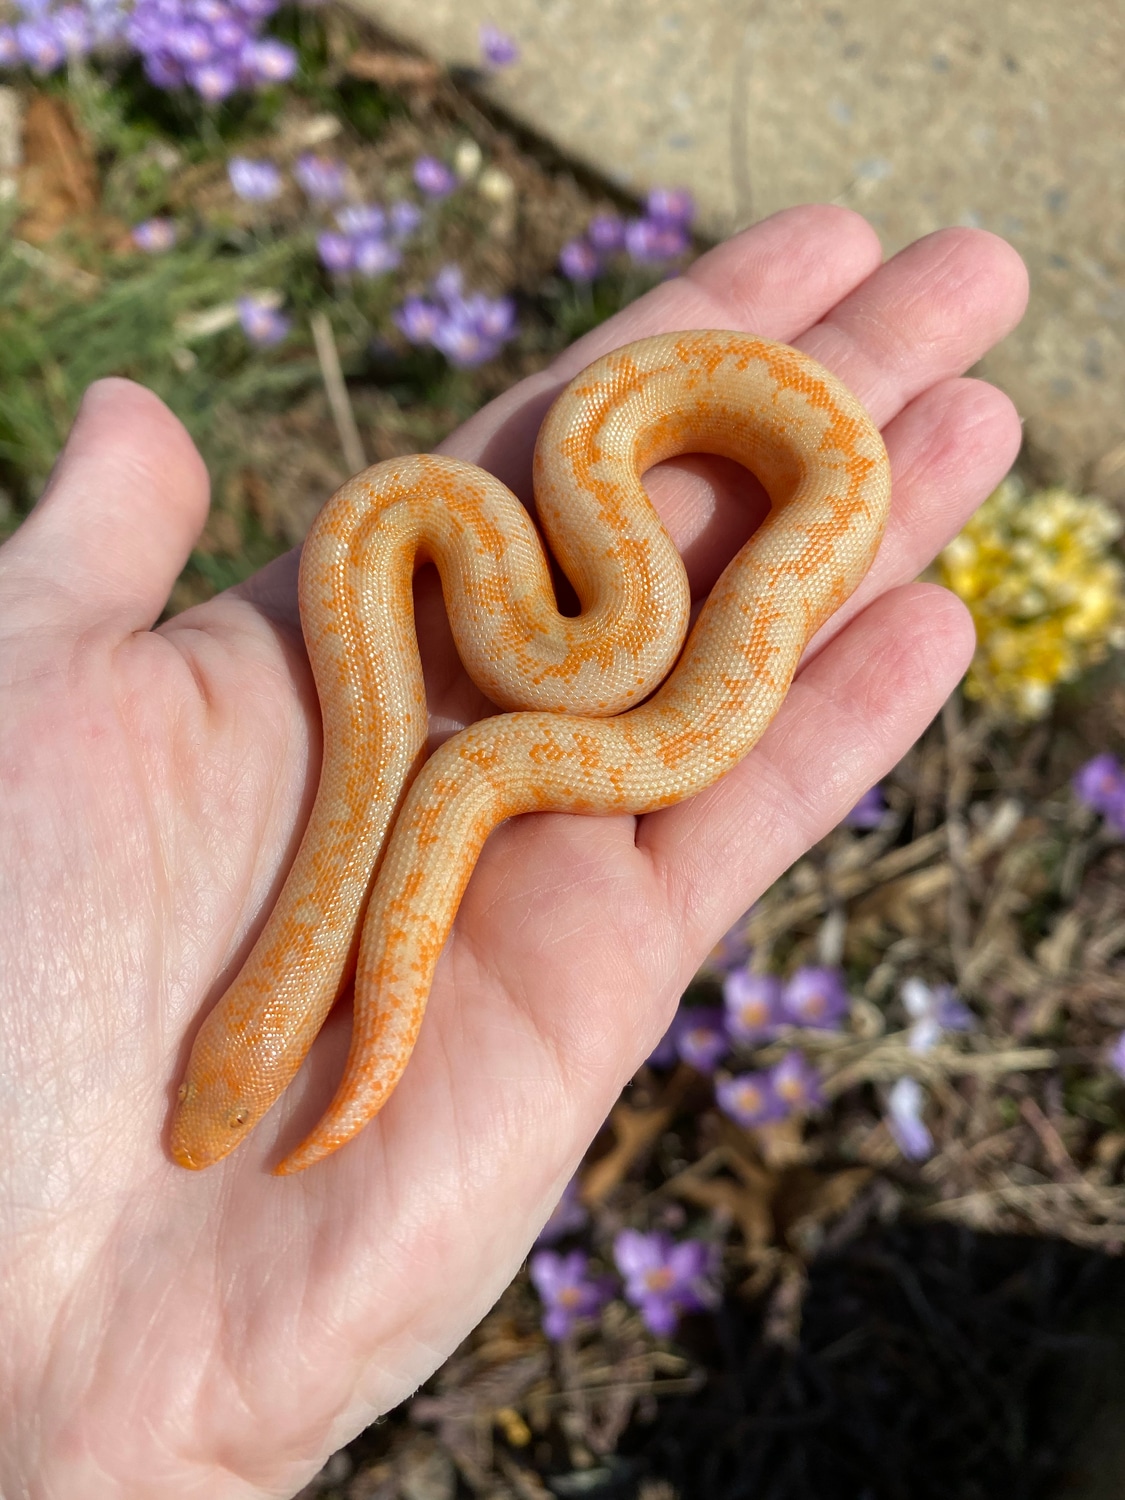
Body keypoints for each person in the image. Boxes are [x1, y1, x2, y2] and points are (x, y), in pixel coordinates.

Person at [0, 204, 1026, 1496]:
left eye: (237, 1086)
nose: (215, 1111)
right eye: (230, 1089)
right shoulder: (411, 538)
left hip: (670, 525)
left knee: (602, 663)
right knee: (538, 704)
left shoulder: (585, 511)